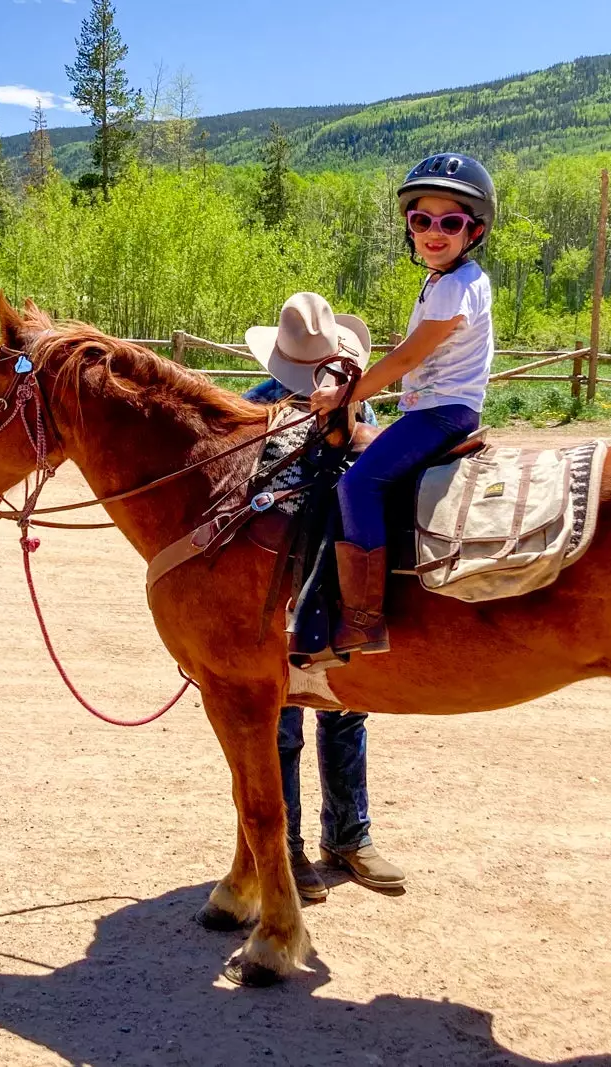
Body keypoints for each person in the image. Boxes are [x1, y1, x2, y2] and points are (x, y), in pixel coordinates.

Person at [242, 292, 407, 902]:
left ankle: (349, 835)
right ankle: (286, 848)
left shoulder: (353, 402)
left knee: (346, 708)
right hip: (281, 584)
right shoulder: (254, 415)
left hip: (334, 574)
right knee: (282, 717)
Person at [309, 153, 498, 656]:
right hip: (435, 408)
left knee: (356, 485)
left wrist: (345, 394)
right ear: (409, 228)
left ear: (473, 231)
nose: (434, 232)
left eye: (450, 222)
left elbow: (409, 356)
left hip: (441, 413)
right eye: (422, 221)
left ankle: (364, 618)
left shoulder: (454, 286)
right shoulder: (446, 280)